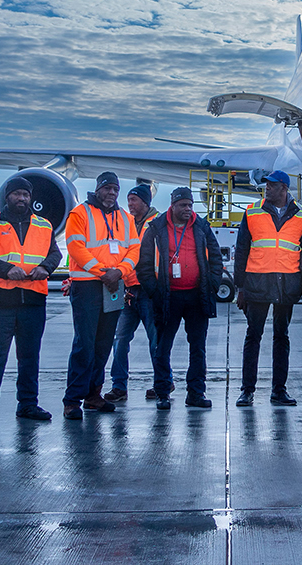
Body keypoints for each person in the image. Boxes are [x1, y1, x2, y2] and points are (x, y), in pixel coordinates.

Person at [0, 176, 60, 426]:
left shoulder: (44, 225)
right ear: (7, 196)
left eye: (26, 195)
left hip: (33, 300)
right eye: (17, 194)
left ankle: (28, 404)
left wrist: (46, 267)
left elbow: (54, 253)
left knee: (29, 357)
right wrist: (6, 270)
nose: (22, 198)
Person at [135, 187, 223, 410]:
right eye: (183, 205)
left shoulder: (201, 227)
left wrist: (212, 285)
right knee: (163, 347)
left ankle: (196, 392)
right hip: (168, 296)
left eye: (190, 205)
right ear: (172, 206)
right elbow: (144, 264)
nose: (188, 209)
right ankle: (163, 392)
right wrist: (154, 291)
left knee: (198, 348)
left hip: (196, 296)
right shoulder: (156, 228)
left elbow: (215, 258)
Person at [63, 172, 140, 420]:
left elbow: (134, 249)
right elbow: (76, 247)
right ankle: (72, 399)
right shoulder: (80, 214)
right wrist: (101, 272)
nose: (112, 193)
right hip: (87, 285)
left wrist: (120, 271)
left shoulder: (126, 218)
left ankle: (93, 395)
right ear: (97, 189)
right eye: (107, 188)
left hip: (114, 285)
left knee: (104, 343)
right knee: (84, 343)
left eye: (115, 189)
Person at [234, 171, 302, 407]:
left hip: (286, 286)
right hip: (257, 284)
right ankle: (247, 390)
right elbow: (241, 250)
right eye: (266, 185)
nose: (266, 188)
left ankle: (279, 390)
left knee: (282, 337)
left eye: (272, 185)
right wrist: (240, 288)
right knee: (253, 336)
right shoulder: (252, 212)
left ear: (284, 188)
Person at [107, 183, 162, 403]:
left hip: (149, 291)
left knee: (156, 341)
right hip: (128, 290)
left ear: (145, 202)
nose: (129, 204)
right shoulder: (125, 223)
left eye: (134, 200)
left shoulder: (157, 223)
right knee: (120, 339)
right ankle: (118, 386)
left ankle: (162, 382)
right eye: (128, 199)